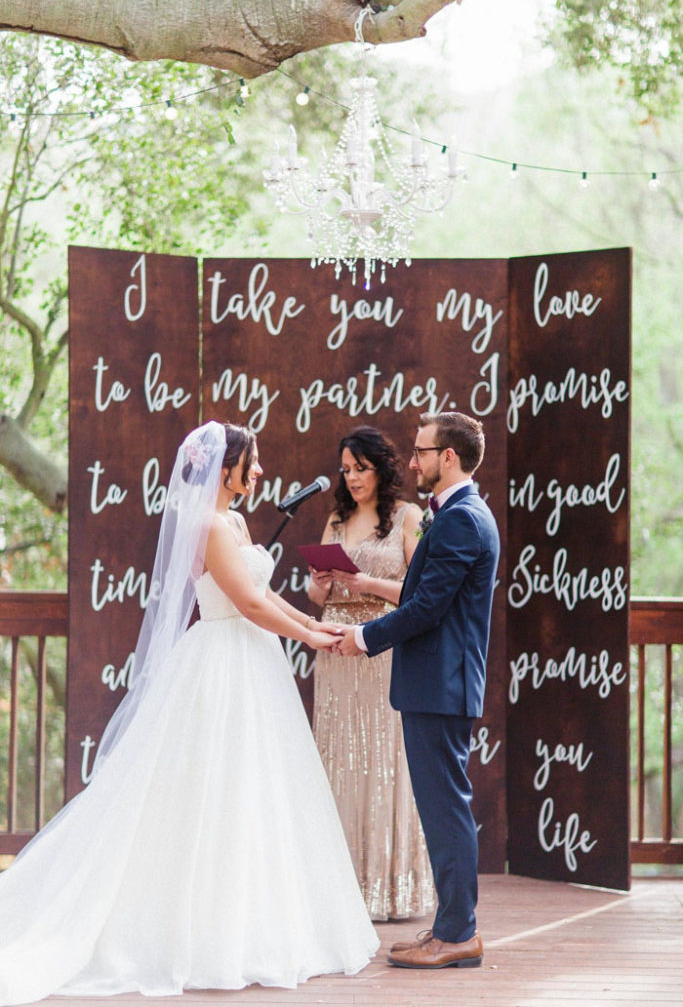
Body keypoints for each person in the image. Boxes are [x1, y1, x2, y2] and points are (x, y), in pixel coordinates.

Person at [0, 421, 378, 1004]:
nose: (258, 472)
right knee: (212, 790)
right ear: (222, 468)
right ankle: (202, 933)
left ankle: (257, 924)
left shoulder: (234, 520)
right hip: (223, 662)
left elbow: (264, 594)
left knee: (259, 791)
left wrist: (311, 624)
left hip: (255, 662)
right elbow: (246, 602)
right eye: (249, 462)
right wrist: (306, 639)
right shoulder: (205, 524)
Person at [335, 411, 500, 969]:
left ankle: (458, 934)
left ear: (447, 457)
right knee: (439, 809)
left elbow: (427, 606)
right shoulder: (454, 515)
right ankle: (448, 928)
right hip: (435, 685)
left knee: (446, 809)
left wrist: (362, 637)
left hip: (441, 687)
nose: (412, 461)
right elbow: (425, 597)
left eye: (421, 451)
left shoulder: (460, 519)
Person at [308, 425, 434, 921]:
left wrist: (363, 581)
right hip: (335, 650)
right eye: (346, 469)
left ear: (382, 467)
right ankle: (340, 889)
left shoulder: (409, 517)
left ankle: (390, 889)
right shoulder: (336, 517)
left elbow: (418, 595)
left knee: (385, 764)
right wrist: (321, 582)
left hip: (381, 647)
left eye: (361, 467)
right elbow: (316, 598)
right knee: (339, 762)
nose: (353, 477)